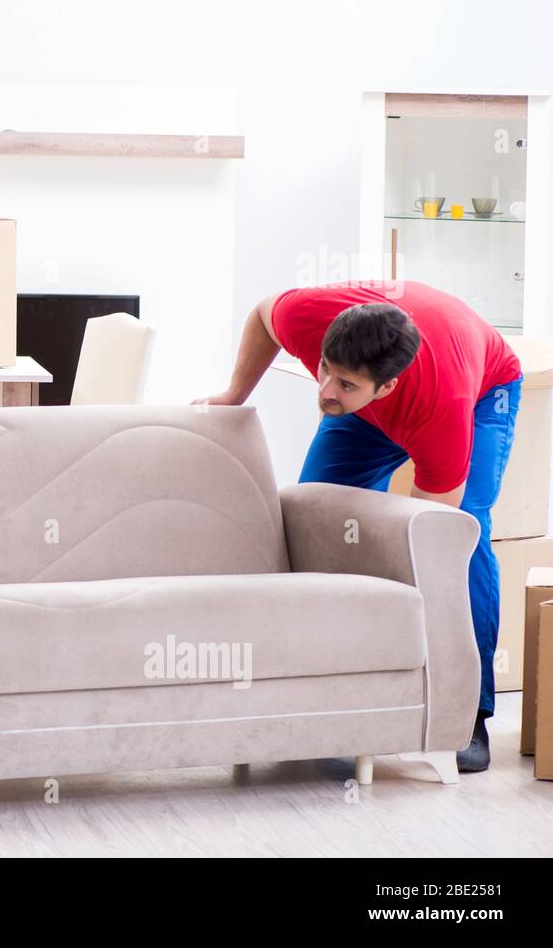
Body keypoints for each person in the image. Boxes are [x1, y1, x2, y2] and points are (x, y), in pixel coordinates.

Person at [197, 279, 523, 772]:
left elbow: (434, 538)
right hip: (374, 409)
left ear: (387, 387)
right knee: (314, 515)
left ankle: (464, 713)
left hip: (482, 392)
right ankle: (315, 689)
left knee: (463, 537)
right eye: (325, 369)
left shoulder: (441, 407)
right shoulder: (307, 318)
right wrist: (233, 393)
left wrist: (394, 623)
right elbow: (264, 315)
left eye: (344, 384)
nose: (324, 391)